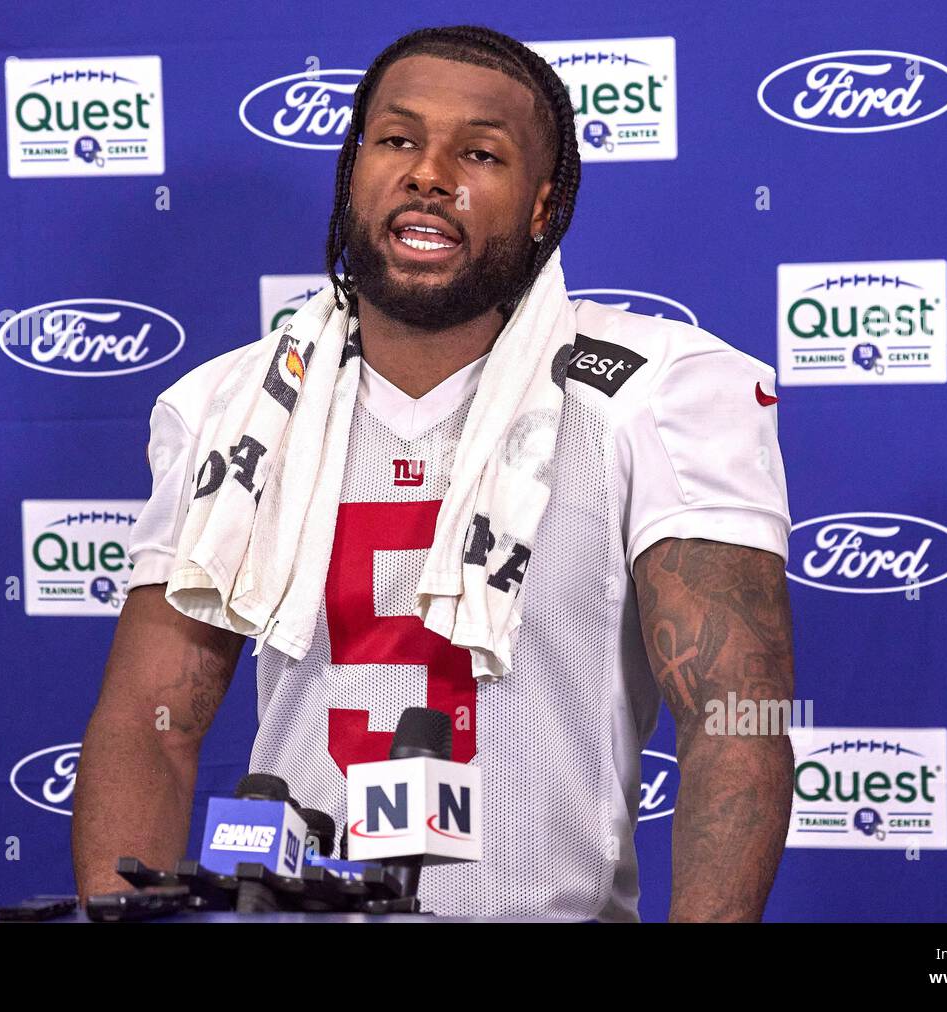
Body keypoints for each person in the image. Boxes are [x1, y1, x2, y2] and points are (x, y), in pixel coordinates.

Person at [72, 24, 794, 922]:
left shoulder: (662, 389)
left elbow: (735, 726)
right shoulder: (229, 406)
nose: (428, 172)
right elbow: (154, 721)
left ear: (543, 204)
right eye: (399, 139)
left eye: (480, 152)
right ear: (354, 169)